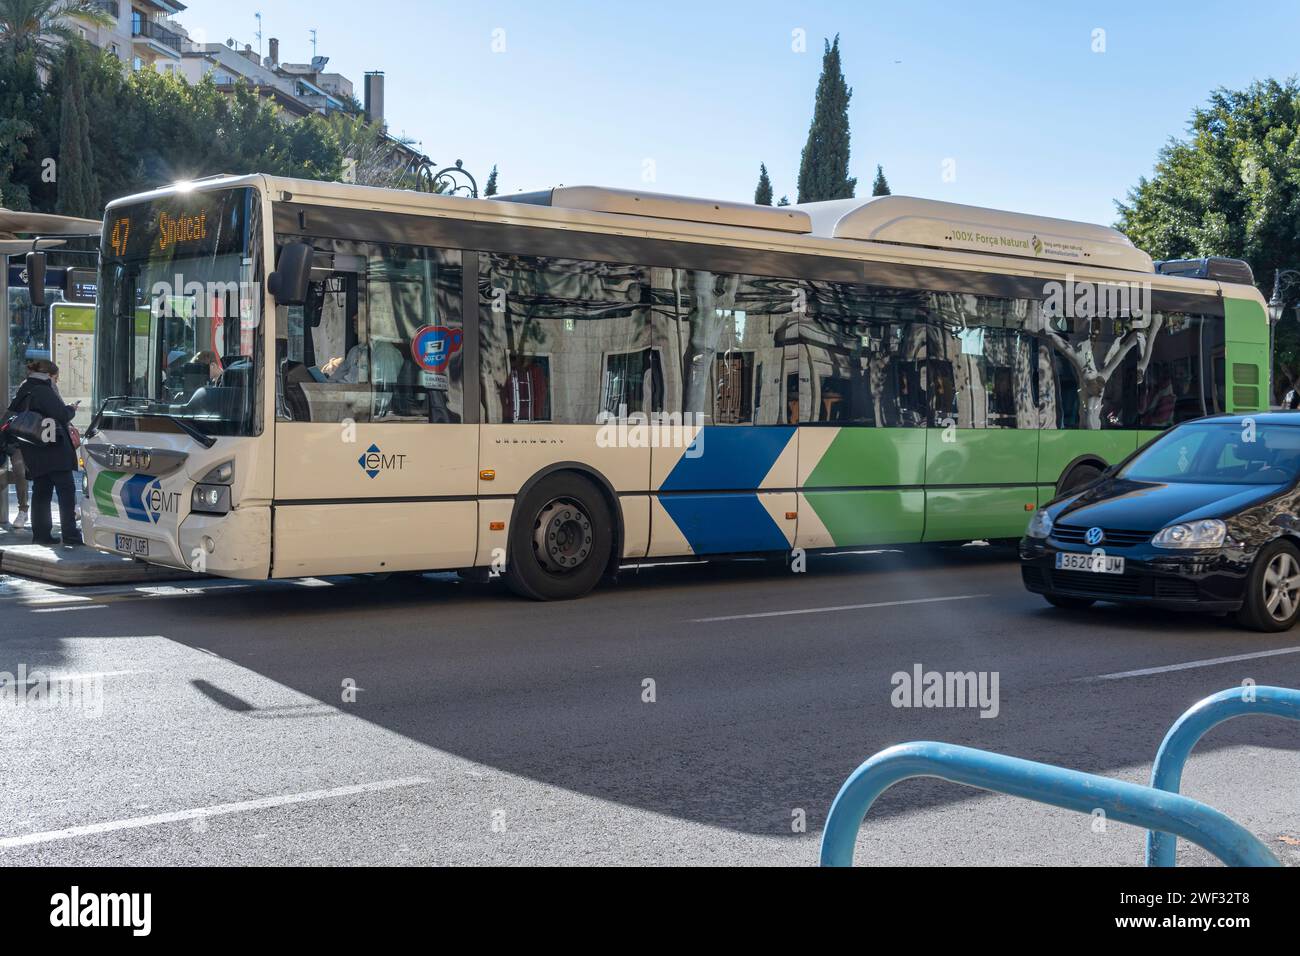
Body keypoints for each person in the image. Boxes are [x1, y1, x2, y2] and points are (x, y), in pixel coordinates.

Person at [6, 359, 82, 546]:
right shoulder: (43, 390)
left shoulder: (24, 390)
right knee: (66, 491)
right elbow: (61, 415)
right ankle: (70, 534)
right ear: (49, 375)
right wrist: (71, 408)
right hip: (53, 449)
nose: (55, 382)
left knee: (41, 491)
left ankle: (41, 535)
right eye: (56, 378)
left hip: (33, 448)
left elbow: (11, 415)